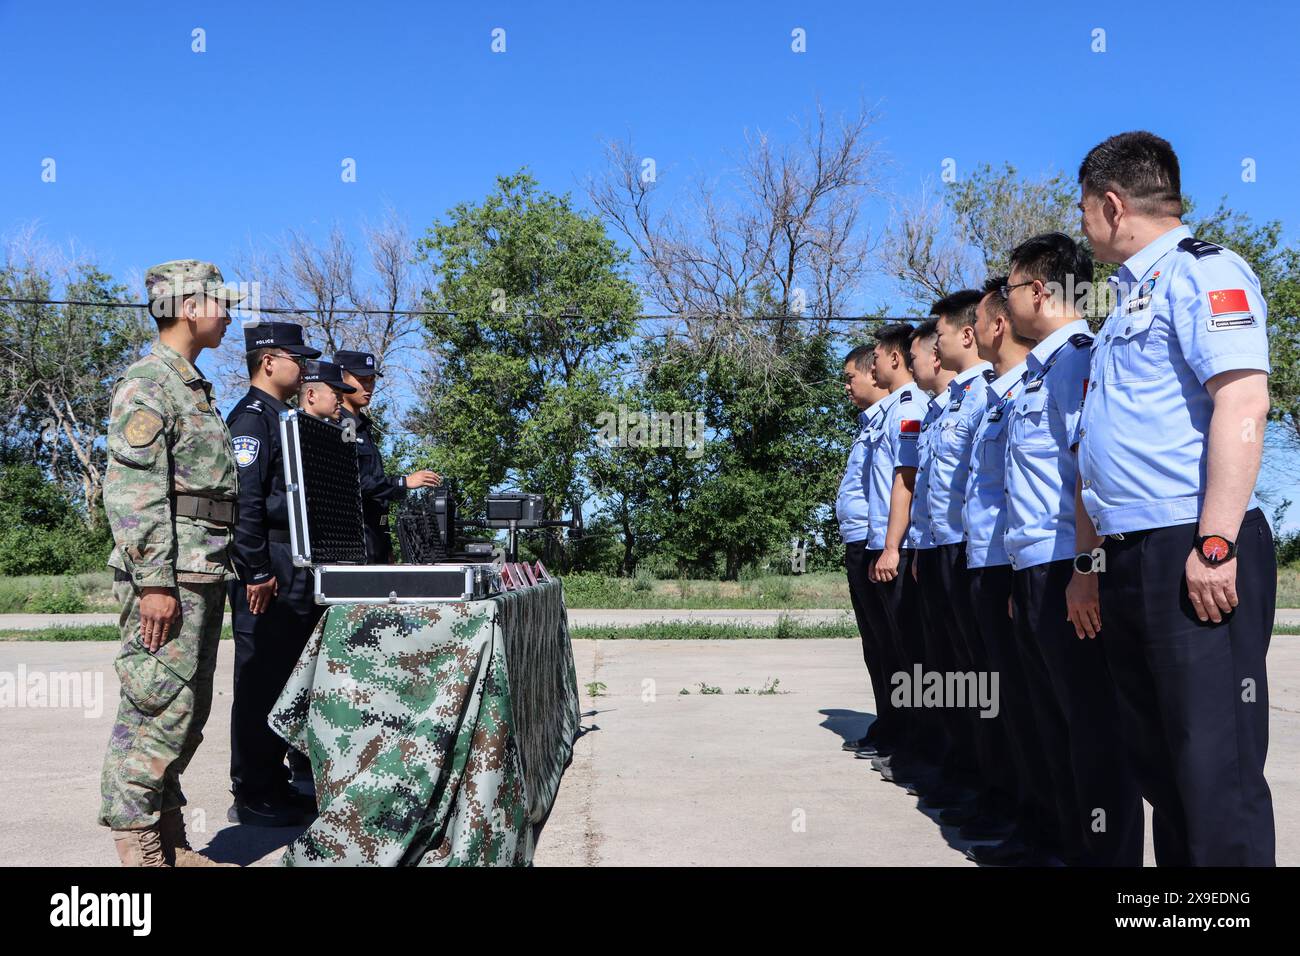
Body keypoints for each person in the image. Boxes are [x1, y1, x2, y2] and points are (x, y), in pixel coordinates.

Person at [1072, 131, 1275, 866]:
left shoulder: (1204, 274)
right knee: (1162, 764)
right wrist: (1091, 565)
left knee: (1212, 768)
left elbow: (1244, 401)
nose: (1085, 224)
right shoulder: (1125, 302)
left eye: (1086, 208)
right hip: (1133, 553)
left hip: (1190, 547)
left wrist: (1214, 544)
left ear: (1113, 203)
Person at [1002, 232, 1142, 867]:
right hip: (1036, 565)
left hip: (1071, 565)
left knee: (1091, 728)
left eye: (1008, 289)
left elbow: (1089, 476)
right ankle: (1064, 845)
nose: (1005, 307)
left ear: (1037, 289)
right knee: (1051, 720)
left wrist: (1085, 574)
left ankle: (1104, 860)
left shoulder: (1078, 361)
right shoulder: (1039, 373)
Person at [98, 259, 243, 866]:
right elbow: (133, 494)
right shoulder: (148, 383)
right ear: (188, 307)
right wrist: (154, 582)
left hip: (202, 569)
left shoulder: (189, 384)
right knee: (156, 706)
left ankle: (171, 839)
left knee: (185, 711)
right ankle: (138, 849)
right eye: (220, 302)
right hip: (171, 574)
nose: (229, 314)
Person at [960, 277, 1055, 866]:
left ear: (997, 325)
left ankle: (1071, 839)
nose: (967, 336)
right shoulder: (1006, 394)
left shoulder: (1061, 370)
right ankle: (1031, 819)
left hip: (1048, 562)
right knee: (1018, 707)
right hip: (1009, 562)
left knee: (1053, 712)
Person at [226, 321, 322, 827]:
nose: (302, 367)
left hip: (294, 562)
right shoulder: (252, 420)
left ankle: (278, 782)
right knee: (261, 680)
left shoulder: (285, 417)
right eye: (295, 358)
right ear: (269, 361)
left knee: (288, 678)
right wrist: (256, 570)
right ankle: (253, 790)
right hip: (269, 565)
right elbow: (244, 503)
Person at [927, 292, 1008, 837]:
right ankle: (984, 789)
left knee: (1002, 691)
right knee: (968, 680)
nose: (933, 345)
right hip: (959, 551)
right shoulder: (958, 401)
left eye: (941, 333)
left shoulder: (988, 394)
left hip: (993, 555)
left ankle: (1014, 804)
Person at [901, 319, 968, 798]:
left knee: (977, 678)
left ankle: (987, 783)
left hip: (972, 552)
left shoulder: (985, 396)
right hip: (936, 549)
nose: (917, 359)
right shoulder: (938, 411)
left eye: (922, 349)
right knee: (944, 668)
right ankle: (955, 767)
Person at [861, 323, 925, 783]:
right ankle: (901, 735)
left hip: (902, 548)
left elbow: (906, 481)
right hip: (882, 544)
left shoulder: (912, 406)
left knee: (912, 655)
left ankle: (914, 743)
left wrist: (892, 546)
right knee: (889, 648)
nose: (874, 363)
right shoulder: (890, 412)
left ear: (894, 358)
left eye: (878, 355)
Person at [332, 350, 441, 563]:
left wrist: (386, 543)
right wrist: (404, 482)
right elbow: (357, 483)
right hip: (353, 543)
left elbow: (378, 499)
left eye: (371, 380)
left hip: (375, 540)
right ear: (341, 379)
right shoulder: (343, 424)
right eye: (362, 380)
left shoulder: (362, 426)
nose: (368, 387)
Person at [837, 346, 893, 755]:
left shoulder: (898, 416)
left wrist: (885, 546)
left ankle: (903, 734)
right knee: (875, 644)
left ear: (873, 375)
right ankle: (889, 726)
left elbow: (896, 489)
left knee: (893, 646)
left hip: (878, 544)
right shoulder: (869, 425)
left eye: (850, 378)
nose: (846, 387)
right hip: (862, 542)